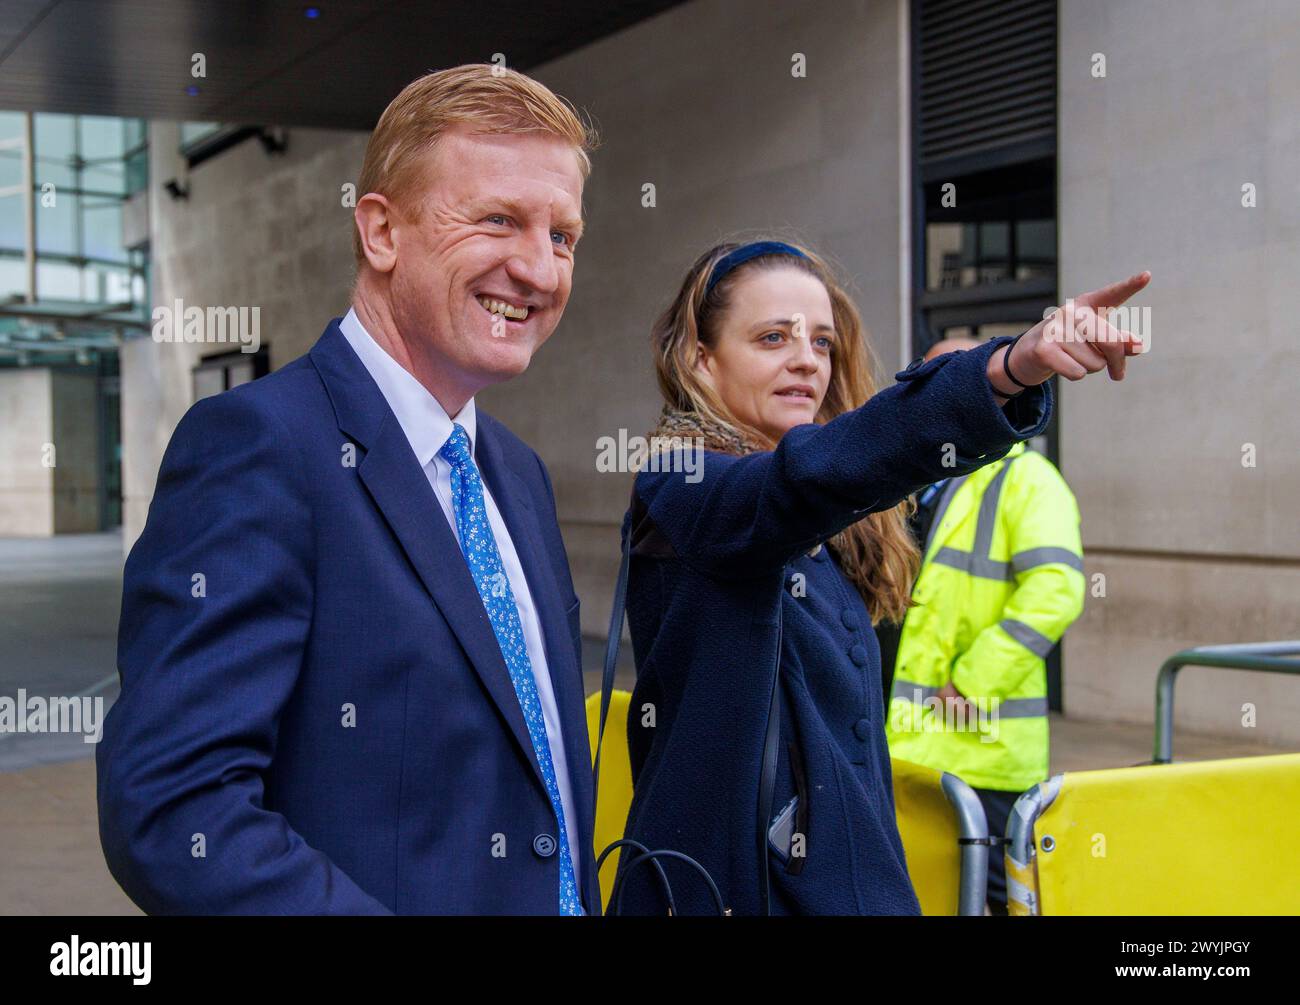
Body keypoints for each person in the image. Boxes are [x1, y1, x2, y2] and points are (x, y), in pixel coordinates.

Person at [97, 65, 602, 915]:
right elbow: (173, 807)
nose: (540, 270)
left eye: (563, 236)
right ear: (380, 232)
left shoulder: (516, 473)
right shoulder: (259, 447)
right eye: (498, 220)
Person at [615, 239, 1147, 915]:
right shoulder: (680, 481)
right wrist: (1009, 366)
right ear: (700, 357)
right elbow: (804, 478)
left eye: (822, 341)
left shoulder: (836, 524)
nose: (806, 358)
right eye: (773, 336)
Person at [885, 336, 1086, 916]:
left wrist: (973, 683)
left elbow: (1057, 589)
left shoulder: (1028, 479)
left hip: (982, 749)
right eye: (930, 379)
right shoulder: (912, 478)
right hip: (911, 741)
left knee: (1003, 896)